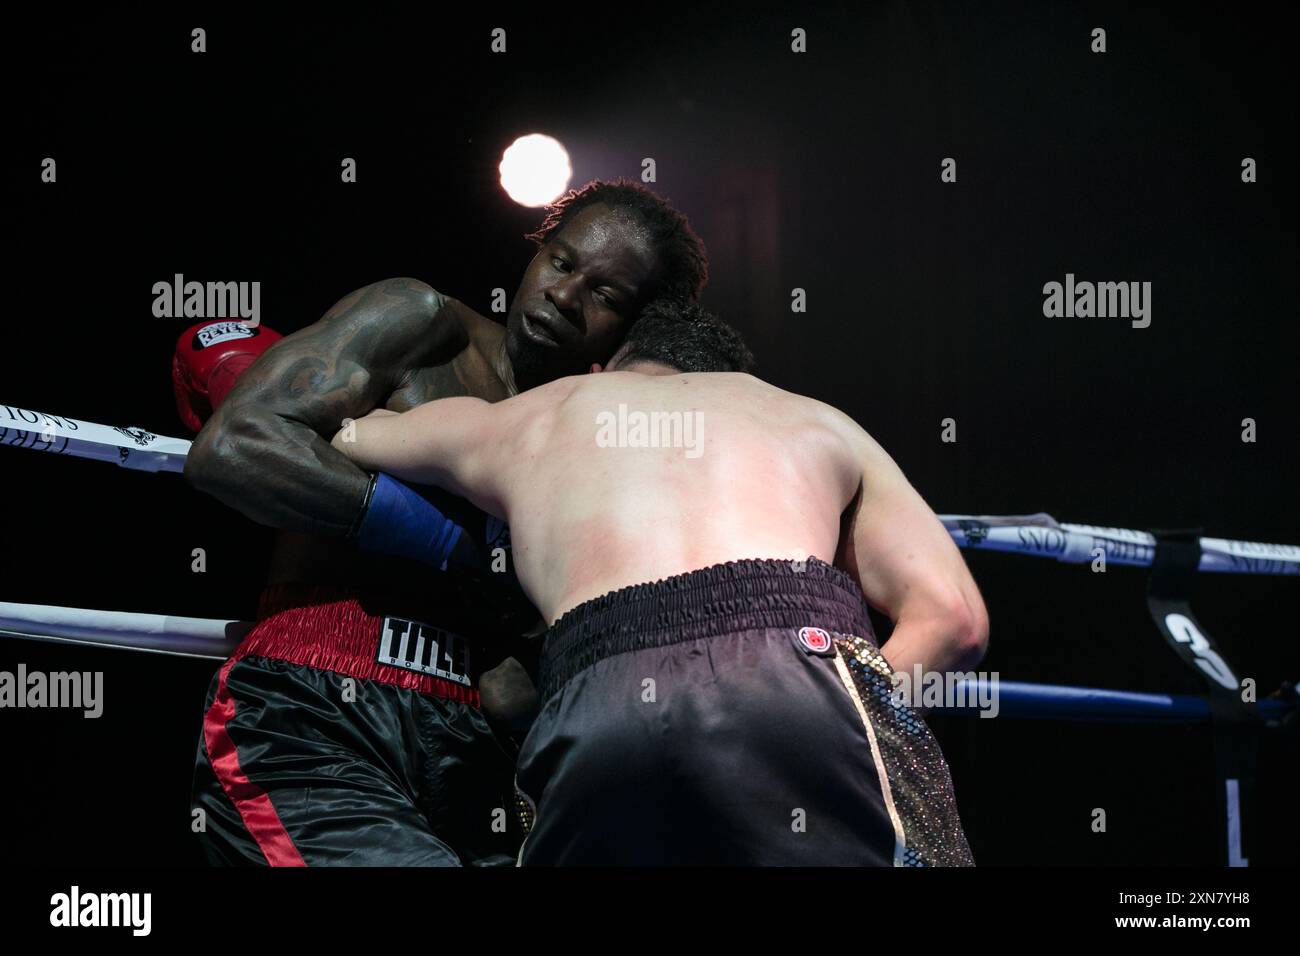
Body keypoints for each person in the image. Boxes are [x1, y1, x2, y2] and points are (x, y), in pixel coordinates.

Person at [330, 301, 989, 865]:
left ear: (600, 372)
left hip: (597, 699)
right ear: (734, 381)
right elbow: (954, 620)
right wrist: (845, 716)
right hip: (797, 668)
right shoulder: (811, 418)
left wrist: (239, 363)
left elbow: (348, 432)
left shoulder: (536, 415)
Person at [180, 180, 710, 865]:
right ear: (536, 252)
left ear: (635, 328)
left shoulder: (601, 446)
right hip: (320, 708)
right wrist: (451, 542)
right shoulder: (423, 324)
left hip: (482, 753)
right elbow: (234, 447)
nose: (565, 296)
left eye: (606, 296)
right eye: (562, 262)